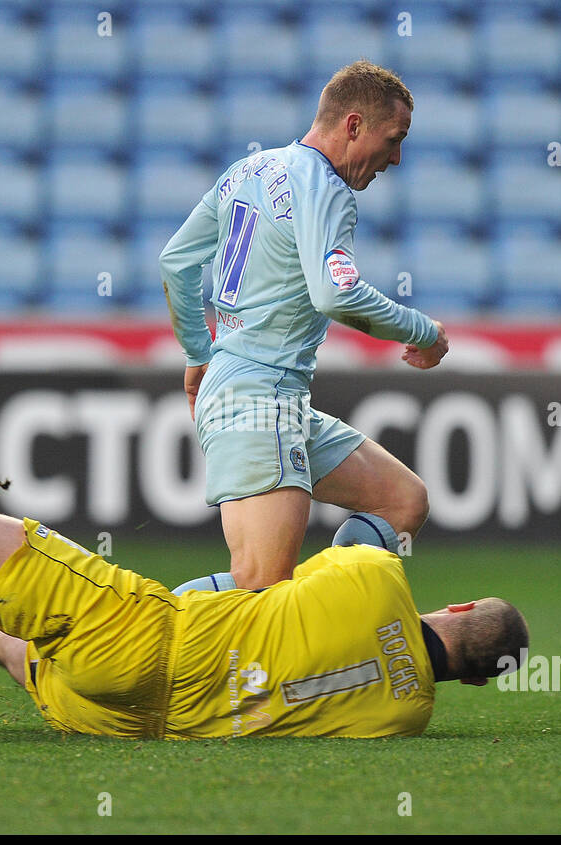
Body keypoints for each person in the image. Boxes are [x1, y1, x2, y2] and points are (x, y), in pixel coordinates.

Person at [0, 500, 526, 739]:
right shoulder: (407, 717)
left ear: (453, 607)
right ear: (476, 682)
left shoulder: (377, 578)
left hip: (150, 636)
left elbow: (364, 529)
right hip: (120, 720)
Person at [159, 60, 449, 595]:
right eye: (394, 139)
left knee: (402, 501)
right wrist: (422, 331)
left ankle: (321, 613)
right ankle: (126, 637)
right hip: (258, 399)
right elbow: (335, 292)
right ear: (355, 125)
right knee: (261, 587)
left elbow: (176, 261)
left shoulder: (248, 171)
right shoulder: (328, 190)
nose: (396, 157)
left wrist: (199, 354)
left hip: (259, 392)